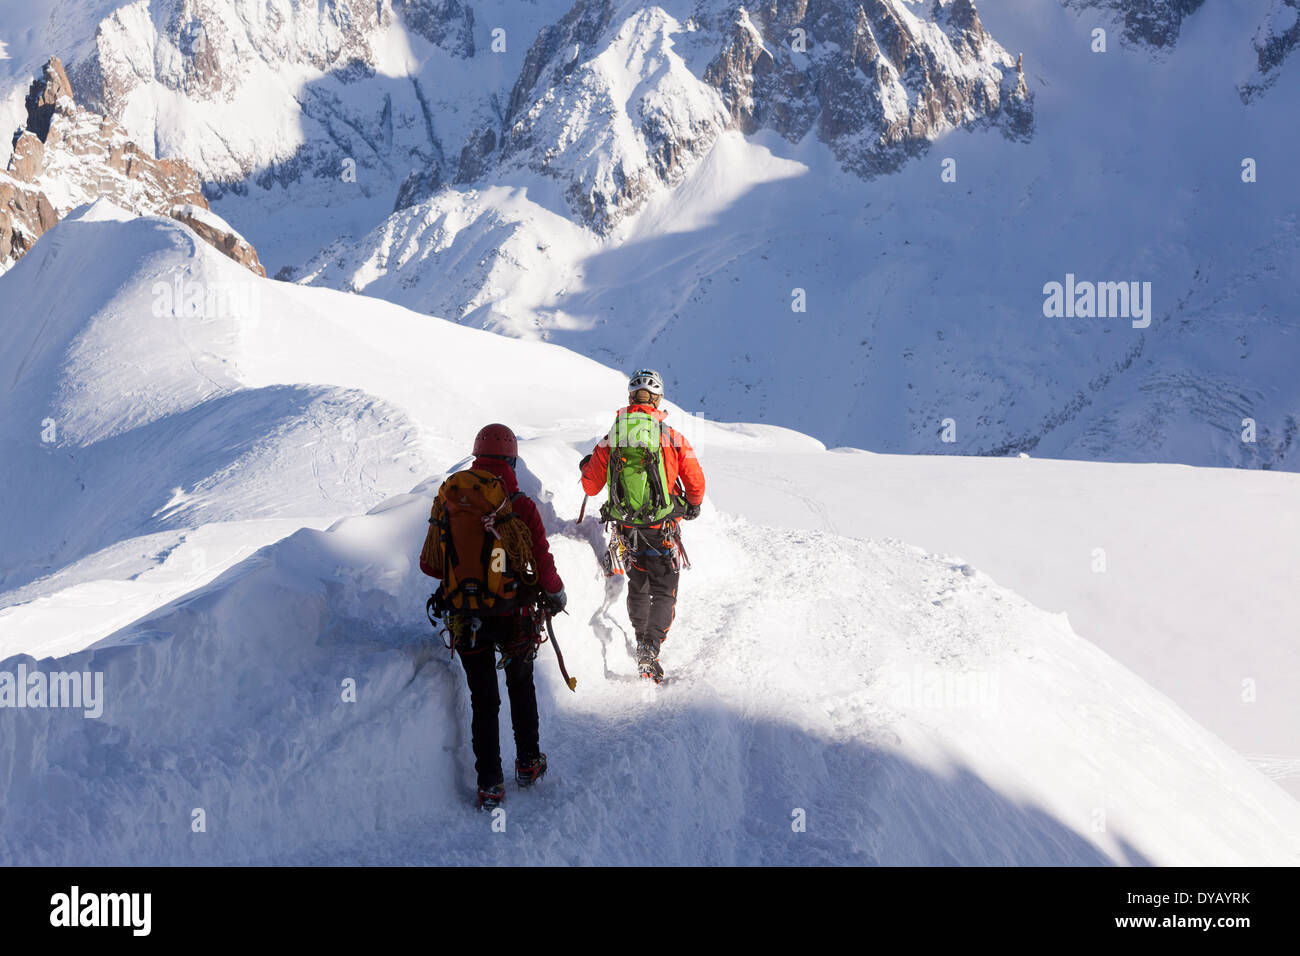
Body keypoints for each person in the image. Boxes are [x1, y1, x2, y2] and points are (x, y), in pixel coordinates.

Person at [420, 424, 566, 810]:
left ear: (476, 456)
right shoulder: (519, 504)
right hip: (514, 613)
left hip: (465, 617)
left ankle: (489, 784)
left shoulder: (451, 499)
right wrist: (555, 592)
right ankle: (528, 764)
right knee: (520, 686)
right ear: (512, 459)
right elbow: (541, 559)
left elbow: (430, 565)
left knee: (484, 700)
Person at [579, 369, 705, 682]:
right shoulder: (672, 436)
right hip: (662, 527)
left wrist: (587, 466)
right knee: (664, 590)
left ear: (630, 397)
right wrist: (692, 505)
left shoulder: (613, 435)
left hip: (626, 527)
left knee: (639, 583)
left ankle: (640, 639)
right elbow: (695, 480)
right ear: (658, 399)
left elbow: (591, 486)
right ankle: (650, 646)